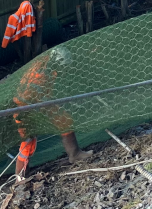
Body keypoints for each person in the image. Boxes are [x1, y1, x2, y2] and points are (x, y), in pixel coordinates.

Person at [10, 47, 91, 181]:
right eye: (63, 67)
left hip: (39, 102)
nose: (63, 71)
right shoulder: (40, 74)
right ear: (58, 63)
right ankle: (20, 177)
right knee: (28, 141)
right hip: (24, 108)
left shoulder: (47, 64)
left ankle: (75, 154)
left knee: (64, 120)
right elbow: (33, 96)